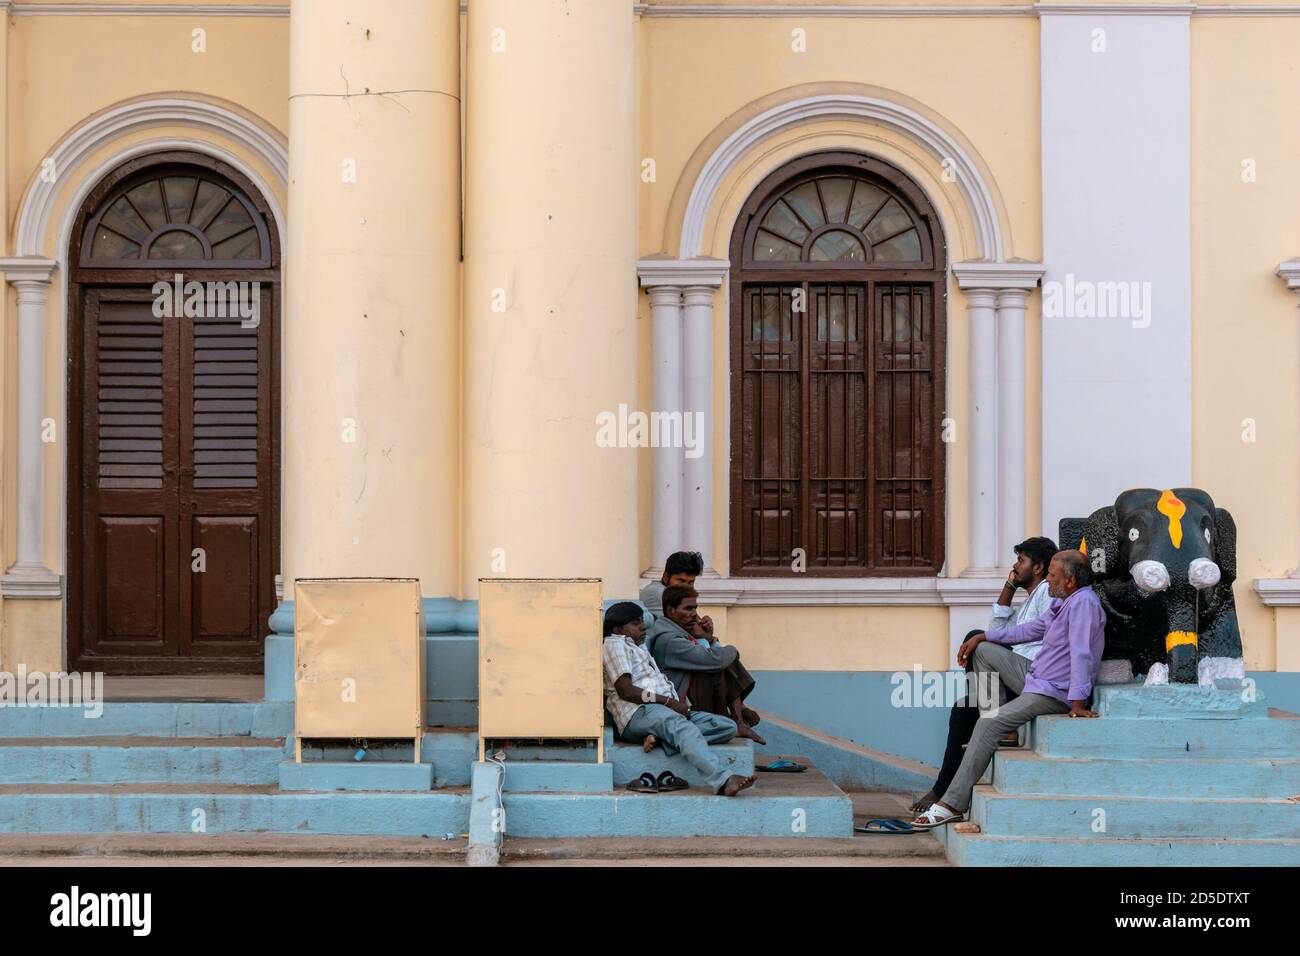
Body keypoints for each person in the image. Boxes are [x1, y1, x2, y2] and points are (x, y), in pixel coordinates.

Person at [911, 550, 1105, 829]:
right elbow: (1028, 630)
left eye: (1052, 575)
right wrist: (984, 636)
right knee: (983, 651)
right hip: (1036, 678)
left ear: (1071, 581)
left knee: (987, 725)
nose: (1047, 580)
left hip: (1054, 692)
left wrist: (1077, 703)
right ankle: (1002, 723)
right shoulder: (1063, 600)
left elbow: (1082, 653)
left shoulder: (1083, 604)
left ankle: (951, 803)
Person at [909, 536, 1058, 813]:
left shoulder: (1049, 592)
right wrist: (1009, 587)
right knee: (963, 711)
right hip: (1014, 676)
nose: (1015, 566)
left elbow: (1041, 640)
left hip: (1034, 677)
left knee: (976, 639)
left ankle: (993, 714)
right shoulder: (1029, 600)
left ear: (1038, 567)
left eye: (1021, 561)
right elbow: (999, 626)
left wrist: (987, 641)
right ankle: (942, 789)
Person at [601, 602, 755, 797]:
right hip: (637, 712)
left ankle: (662, 739)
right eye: (635, 623)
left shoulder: (638, 647)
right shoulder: (614, 644)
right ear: (618, 629)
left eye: (642, 622)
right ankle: (723, 779)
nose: (642, 627)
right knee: (680, 726)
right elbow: (626, 691)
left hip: (663, 713)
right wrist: (668, 702)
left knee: (726, 727)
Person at [646, 586, 766, 745]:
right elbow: (714, 660)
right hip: (678, 703)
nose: (694, 614)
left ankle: (738, 719)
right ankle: (738, 718)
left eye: (695, 608)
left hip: (691, 695)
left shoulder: (679, 632)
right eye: (688, 609)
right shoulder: (669, 640)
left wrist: (708, 638)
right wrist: (732, 650)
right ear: (671, 610)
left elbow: (714, 659)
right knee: (720, 664)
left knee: (721, 663)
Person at [640, 551, 704, 618]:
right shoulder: (657, 592)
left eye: (690, 582)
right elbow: (688, 624)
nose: (686, 587)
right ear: (666, 577)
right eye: (681, 581)